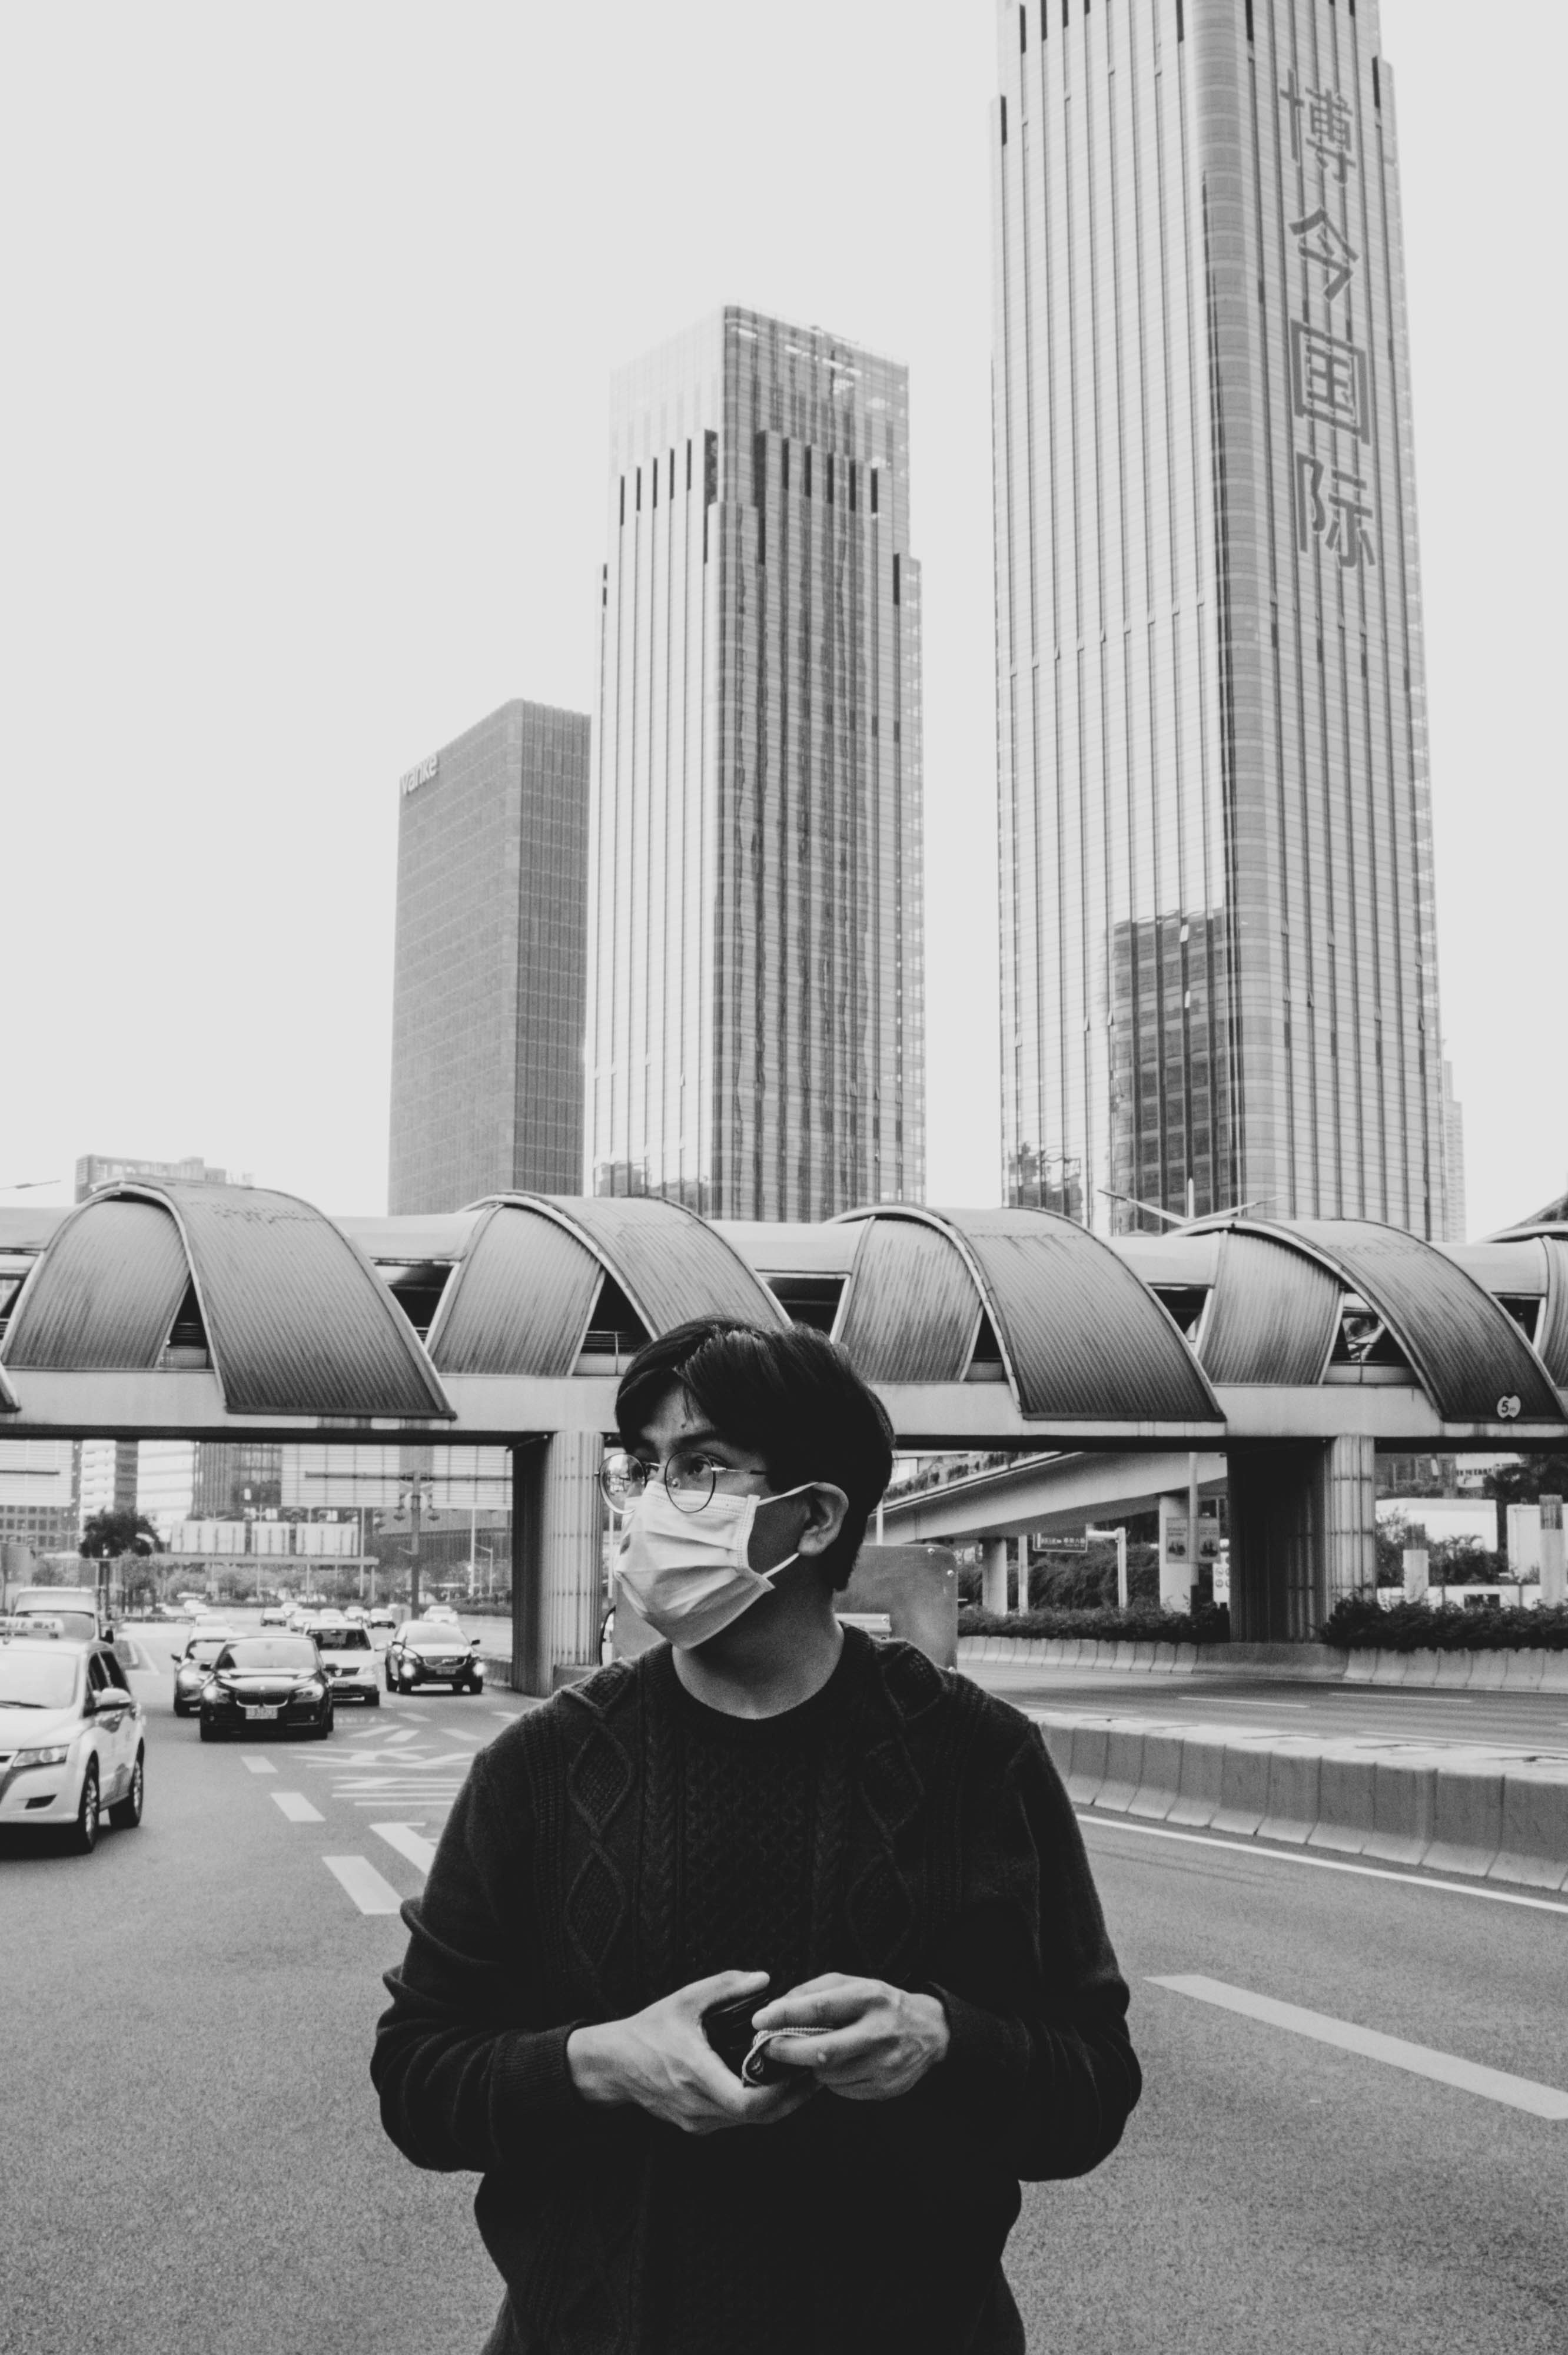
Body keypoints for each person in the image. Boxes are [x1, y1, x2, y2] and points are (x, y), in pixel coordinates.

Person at [373, 1318, 1140, 2353]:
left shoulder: (976, 1760)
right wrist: (598, 2063)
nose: (651, 1504)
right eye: (642, 1468)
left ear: (815, 1518)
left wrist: (943, 2040)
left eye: (701, 1467)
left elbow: (1091, 2087)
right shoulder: (541, 1768)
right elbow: (418, 2080)